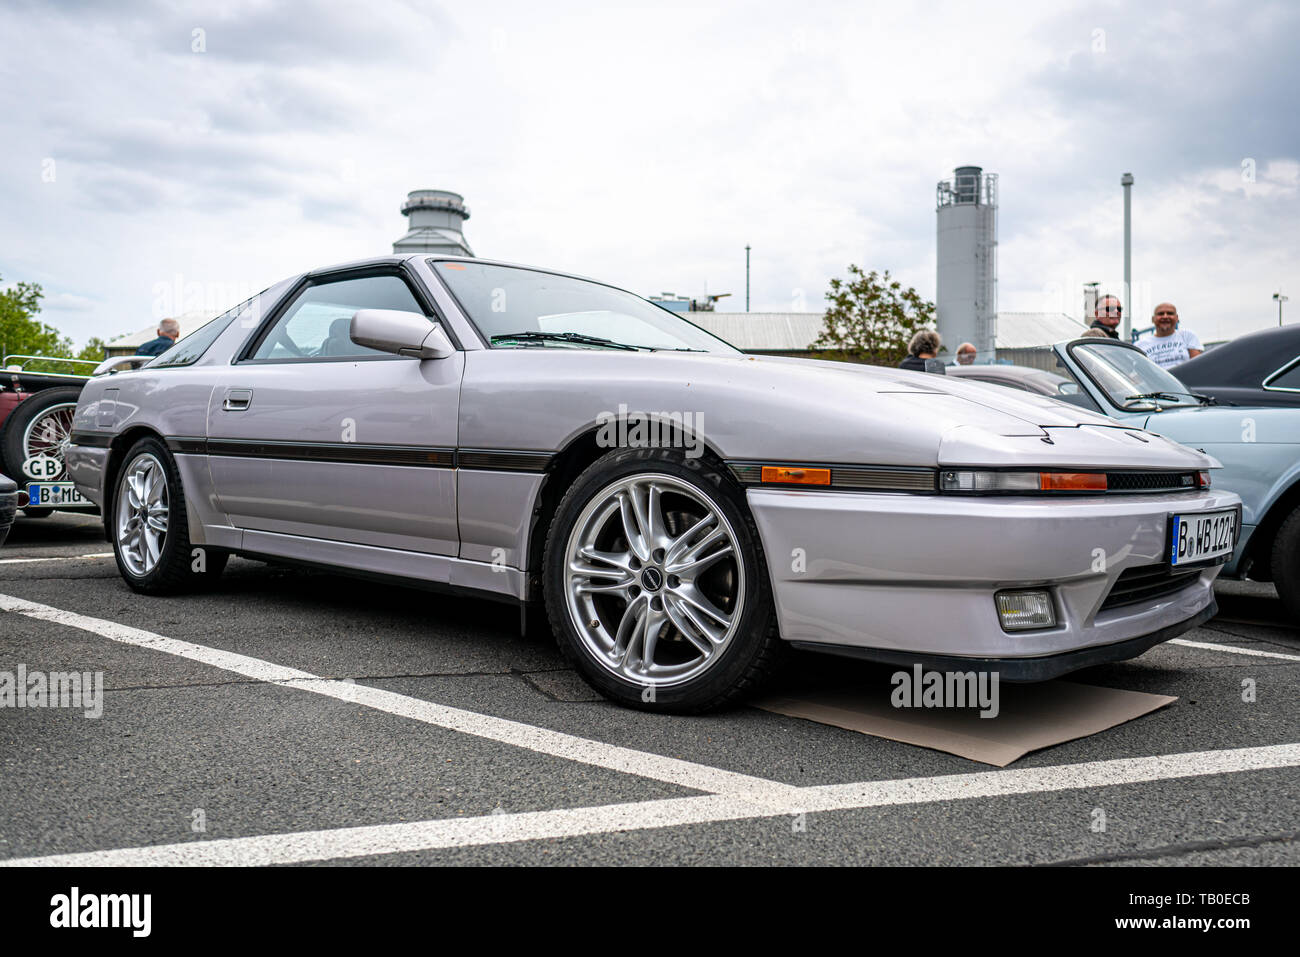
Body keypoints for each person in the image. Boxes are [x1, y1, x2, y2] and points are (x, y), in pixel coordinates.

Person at [1135, 302, 1203, 368]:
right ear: (1153, 319)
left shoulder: (1187, 336)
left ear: (1177, 318)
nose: (1165, 316)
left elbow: (1197, 366)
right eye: (1160, 314)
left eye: (1170, 313)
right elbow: (1139, 372)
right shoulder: (1139, 345)